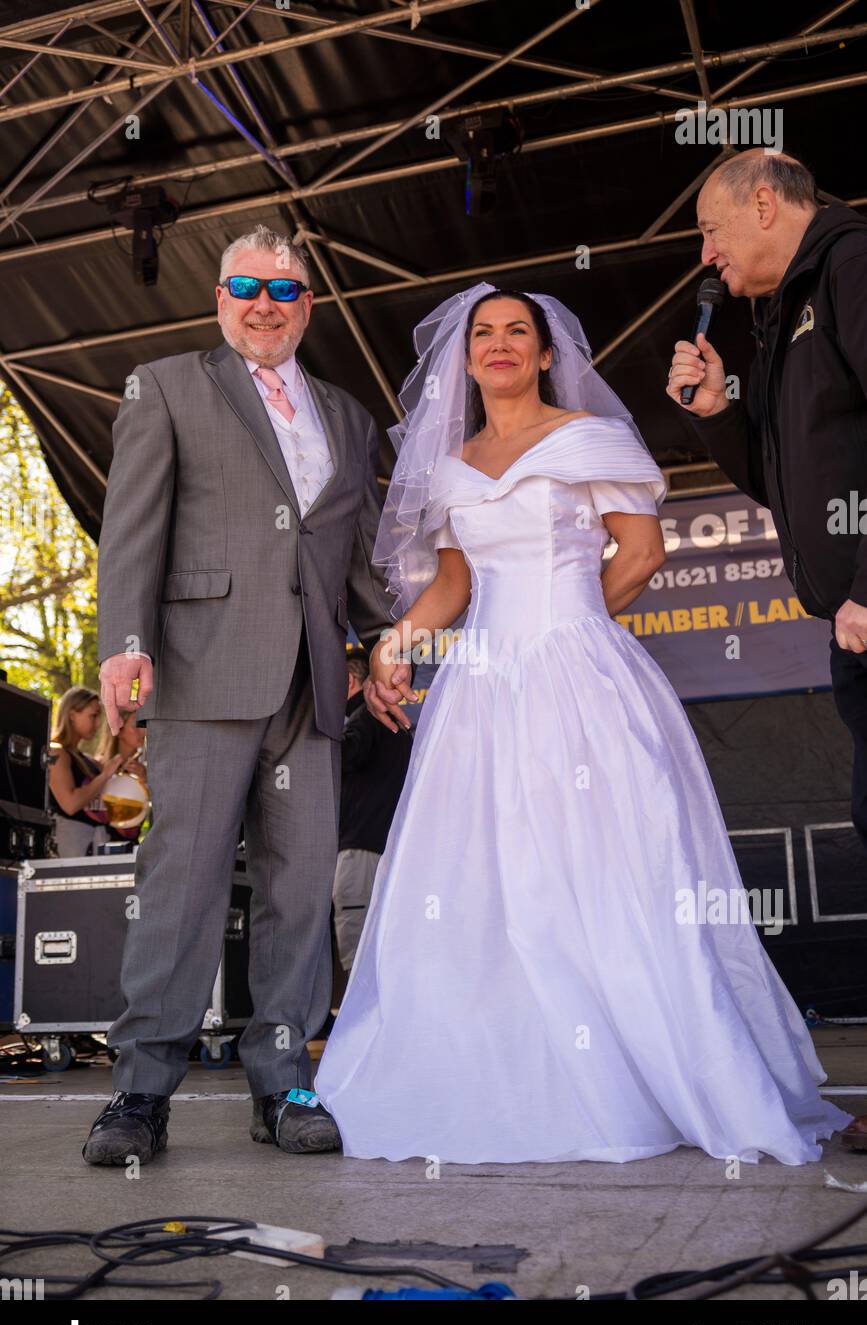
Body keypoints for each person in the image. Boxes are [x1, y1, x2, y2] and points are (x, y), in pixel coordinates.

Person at [313, 282, 853, 1165]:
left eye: (515, 332)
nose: (497, 346)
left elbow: (640, 553)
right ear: (465, 356)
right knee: (485, 873)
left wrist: (567, 629)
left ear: (545, 350)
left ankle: (654, 1070)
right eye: (482, 334)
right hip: (479, 690)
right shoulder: (449, 465)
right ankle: (505, 1071)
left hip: (581, 674)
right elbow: (452, 585)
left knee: (611, 867)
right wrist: (393, 644)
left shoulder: (589, 437)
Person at [85, 224, 412, 1166]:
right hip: (199, 670)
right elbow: (131, 526)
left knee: (300, 892)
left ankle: (284, 1083)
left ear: (308, 303)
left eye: (284, 288)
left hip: (312, 688)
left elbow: (351, 566)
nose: (263, 303)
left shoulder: (348, 417)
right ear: (218, 296)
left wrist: (392, 648)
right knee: (180, 887)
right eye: (244, 285)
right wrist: (125, 646)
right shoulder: (168, 385)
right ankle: (140, 1092)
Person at [666, 149, 867, 1155]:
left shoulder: (852, 264)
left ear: (763, 201)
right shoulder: (782, 312)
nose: (706, 254)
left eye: (710, 231)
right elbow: (783, 477)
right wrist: (718, 414)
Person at [333, 648, 413, 971]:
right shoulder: (400, 727)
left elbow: (341, 761)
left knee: (357, 945)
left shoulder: (364, 720)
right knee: (385, 943)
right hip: (392, 849)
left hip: (361, 847)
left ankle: (360, 1015)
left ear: (351, 681)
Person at [48, 686, 126, 858]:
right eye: (93, 716)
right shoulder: (56, 753)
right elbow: (70, 804)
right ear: (72, 715)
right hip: (68, 851)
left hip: (96, 850)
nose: (98, 724)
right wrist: (104, 776)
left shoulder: (90, 761)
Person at [96, 709, 148, 846]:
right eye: (136, 725)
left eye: (144, 725)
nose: (143, 732)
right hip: (100, 845)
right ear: (118, 727)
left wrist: (146, 781)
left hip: (133, 846)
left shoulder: (146, 769)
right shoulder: (97, 766)